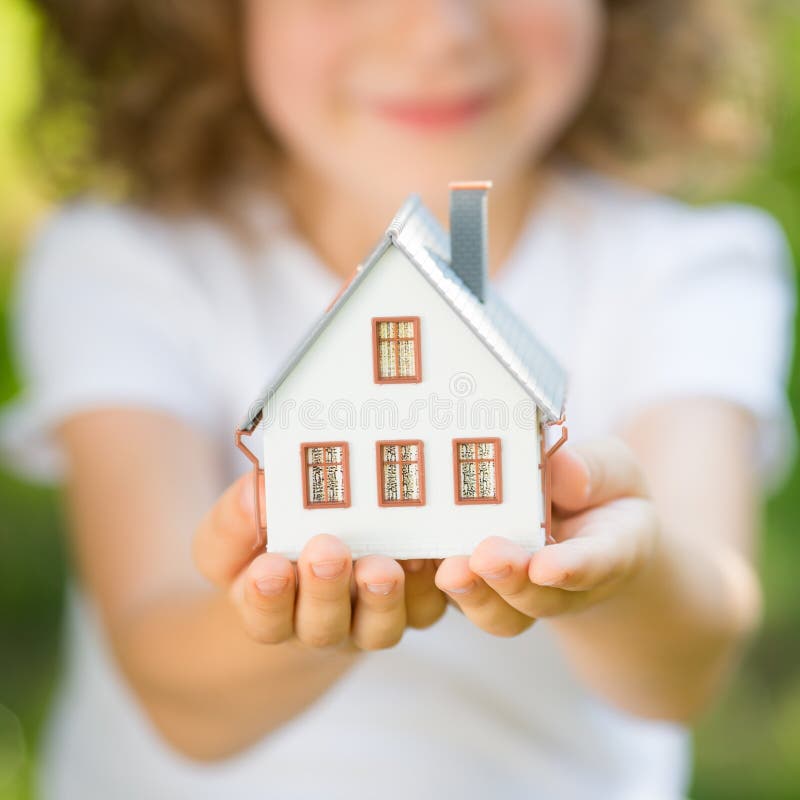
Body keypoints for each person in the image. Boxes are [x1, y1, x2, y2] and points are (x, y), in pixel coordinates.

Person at [1, 1, 795, 798]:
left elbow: (689, 662)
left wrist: (622, 572)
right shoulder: (126, 266)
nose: (441, 31)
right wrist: (311, 608)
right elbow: (171, 684)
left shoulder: (687, 273)